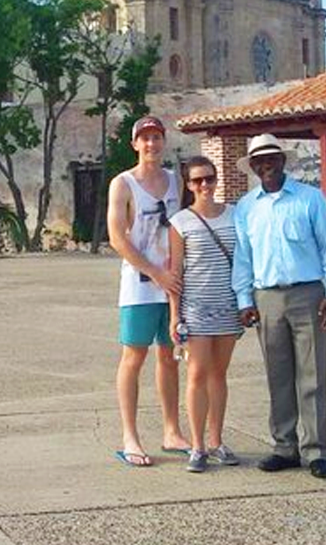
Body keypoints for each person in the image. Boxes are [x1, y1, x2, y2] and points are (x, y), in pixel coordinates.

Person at [232, 133, 326, 479]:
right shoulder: (247, 207)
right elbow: (243, 257)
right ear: (252, 167)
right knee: (277, 376)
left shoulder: (310, 199)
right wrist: (243, 300)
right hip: (267, 297)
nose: (266, 166)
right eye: (260, 161)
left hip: (308, 293)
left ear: (283, 161)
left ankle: (316, 451)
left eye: (272, 159)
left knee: (312, 375)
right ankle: (284, 446)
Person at [107, 115, 189, 467]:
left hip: (171, 282)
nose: (152, 144)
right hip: (140, 283)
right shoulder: (123, 184)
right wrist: (154, 271)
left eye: (157, 137)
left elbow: (183, 226)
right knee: (133, 357)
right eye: (145, 139)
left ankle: (172, 429)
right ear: (135, 144)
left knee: (169, 356)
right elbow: (117, 238)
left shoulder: (175, 180)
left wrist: (175, 273)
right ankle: (131, 436)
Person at [169, 156, 242, 473]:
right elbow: (175, 272)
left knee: (219, 374)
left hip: (228, 305)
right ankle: (197, 445)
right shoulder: (180, 222)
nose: (205, 186)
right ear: (188, 185)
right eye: (197, 181)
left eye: (209, 179)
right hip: (196, 308)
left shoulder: (235, 215)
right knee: (197, 373)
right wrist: (175, 315)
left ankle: (217, 440)